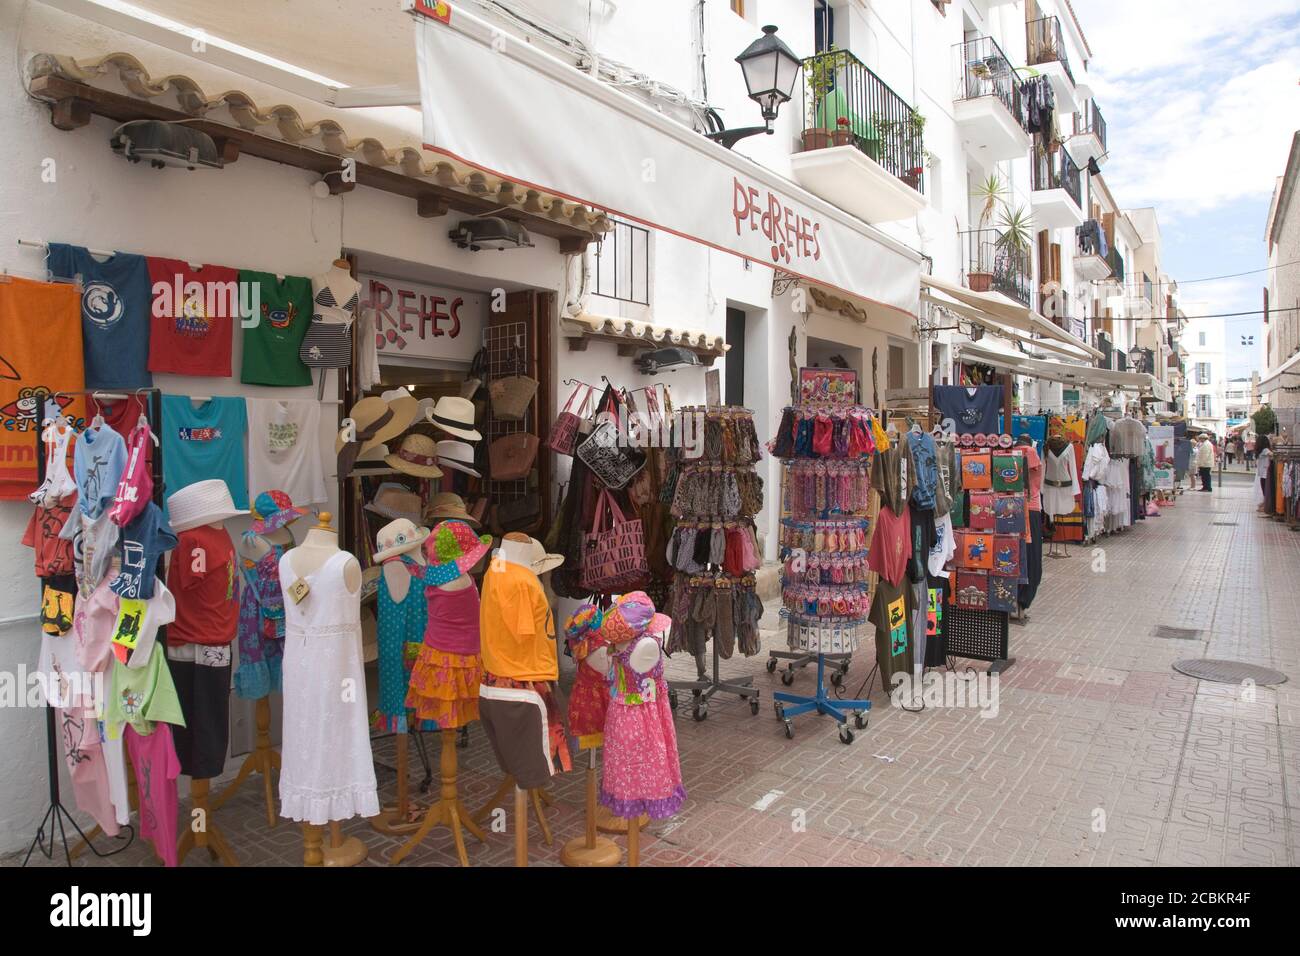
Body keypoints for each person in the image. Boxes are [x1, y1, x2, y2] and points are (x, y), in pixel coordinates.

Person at [1256, 435, 1272, 513]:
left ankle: (1264, 505)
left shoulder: (1260, 450)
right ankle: (1266, 506)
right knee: (1266, 491)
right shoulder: (1265, 450)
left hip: (1262, 474)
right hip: (1265, 473)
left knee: (1264, 491)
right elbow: (1271, 454)